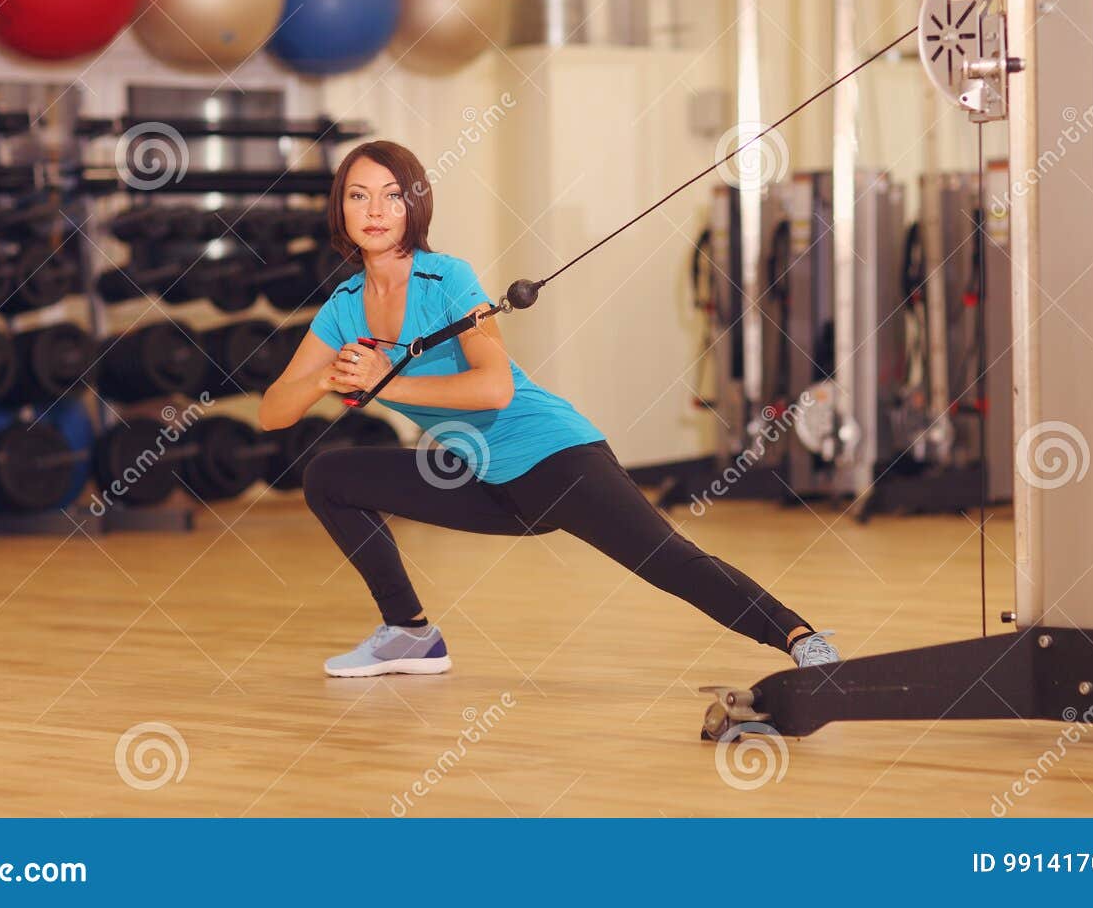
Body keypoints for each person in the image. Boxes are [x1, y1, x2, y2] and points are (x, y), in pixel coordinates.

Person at [260, 140, 841, 678]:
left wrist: (379, 384)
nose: (376, 210)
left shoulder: (448, 279)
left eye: (392, 195)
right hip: (482, 478)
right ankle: (410, 634)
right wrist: (328, 377)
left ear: (416, 206)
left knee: (668, 560)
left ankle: (800, 637)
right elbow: (273, 414)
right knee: (327, 476)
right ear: (340, 211)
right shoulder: (342, 306)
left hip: (557, 459)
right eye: (358, 196)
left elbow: (494, 391)